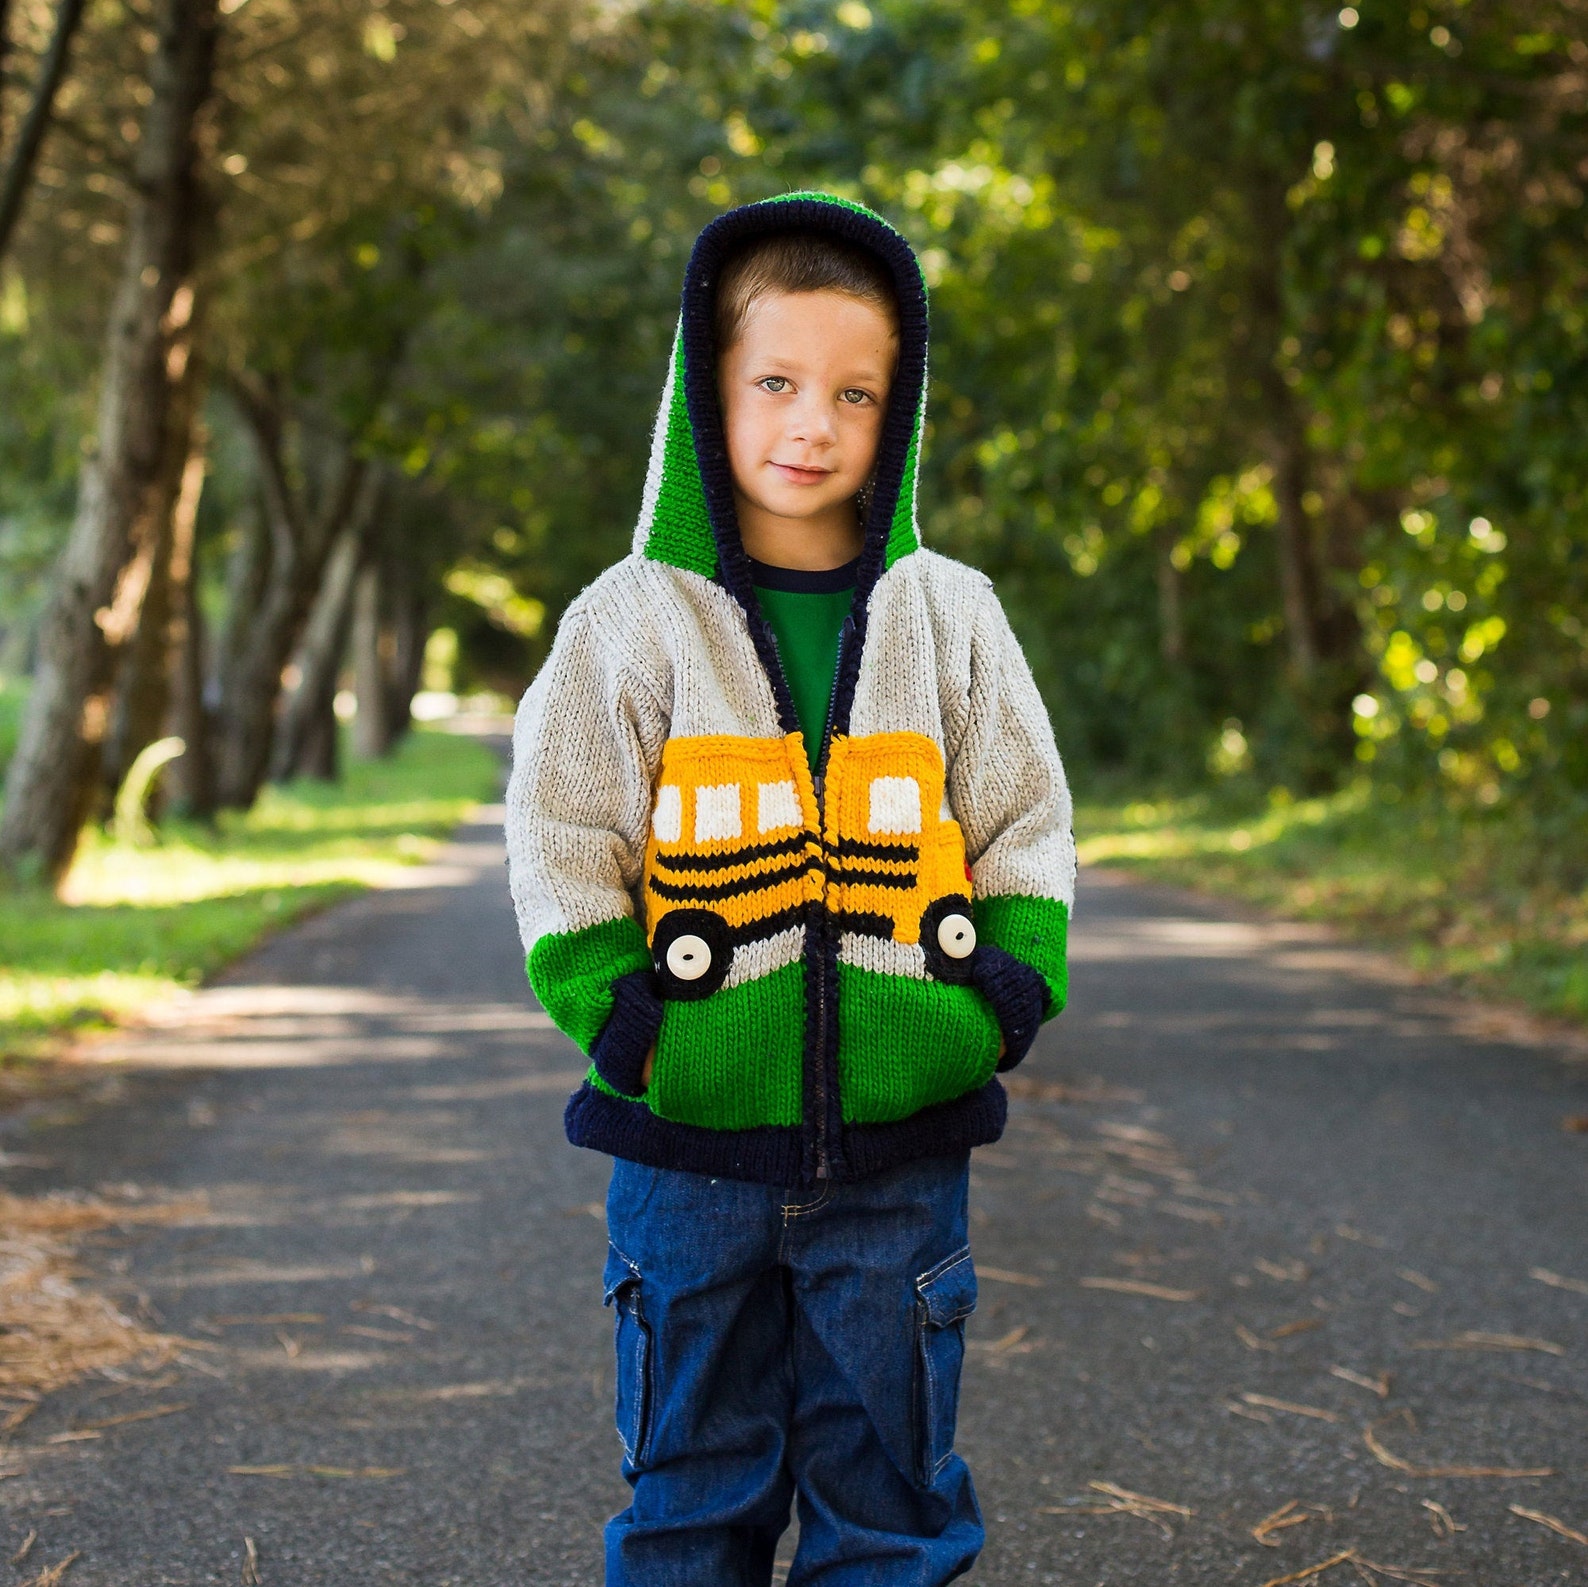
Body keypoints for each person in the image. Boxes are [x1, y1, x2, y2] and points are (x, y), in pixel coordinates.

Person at [505, 192, 1075, 1586]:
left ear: (903, 411)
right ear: (707, 393)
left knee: (890, 1493)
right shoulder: (630, 623)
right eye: (774, 383)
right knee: (692, 1488)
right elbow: (563, 829)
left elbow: (1021, 824)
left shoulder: (953, 617)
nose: (810, 423)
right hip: (686, 1153)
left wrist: (996, 1000)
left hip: (898, 1159)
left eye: (854, 393)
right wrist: (625, 1021)